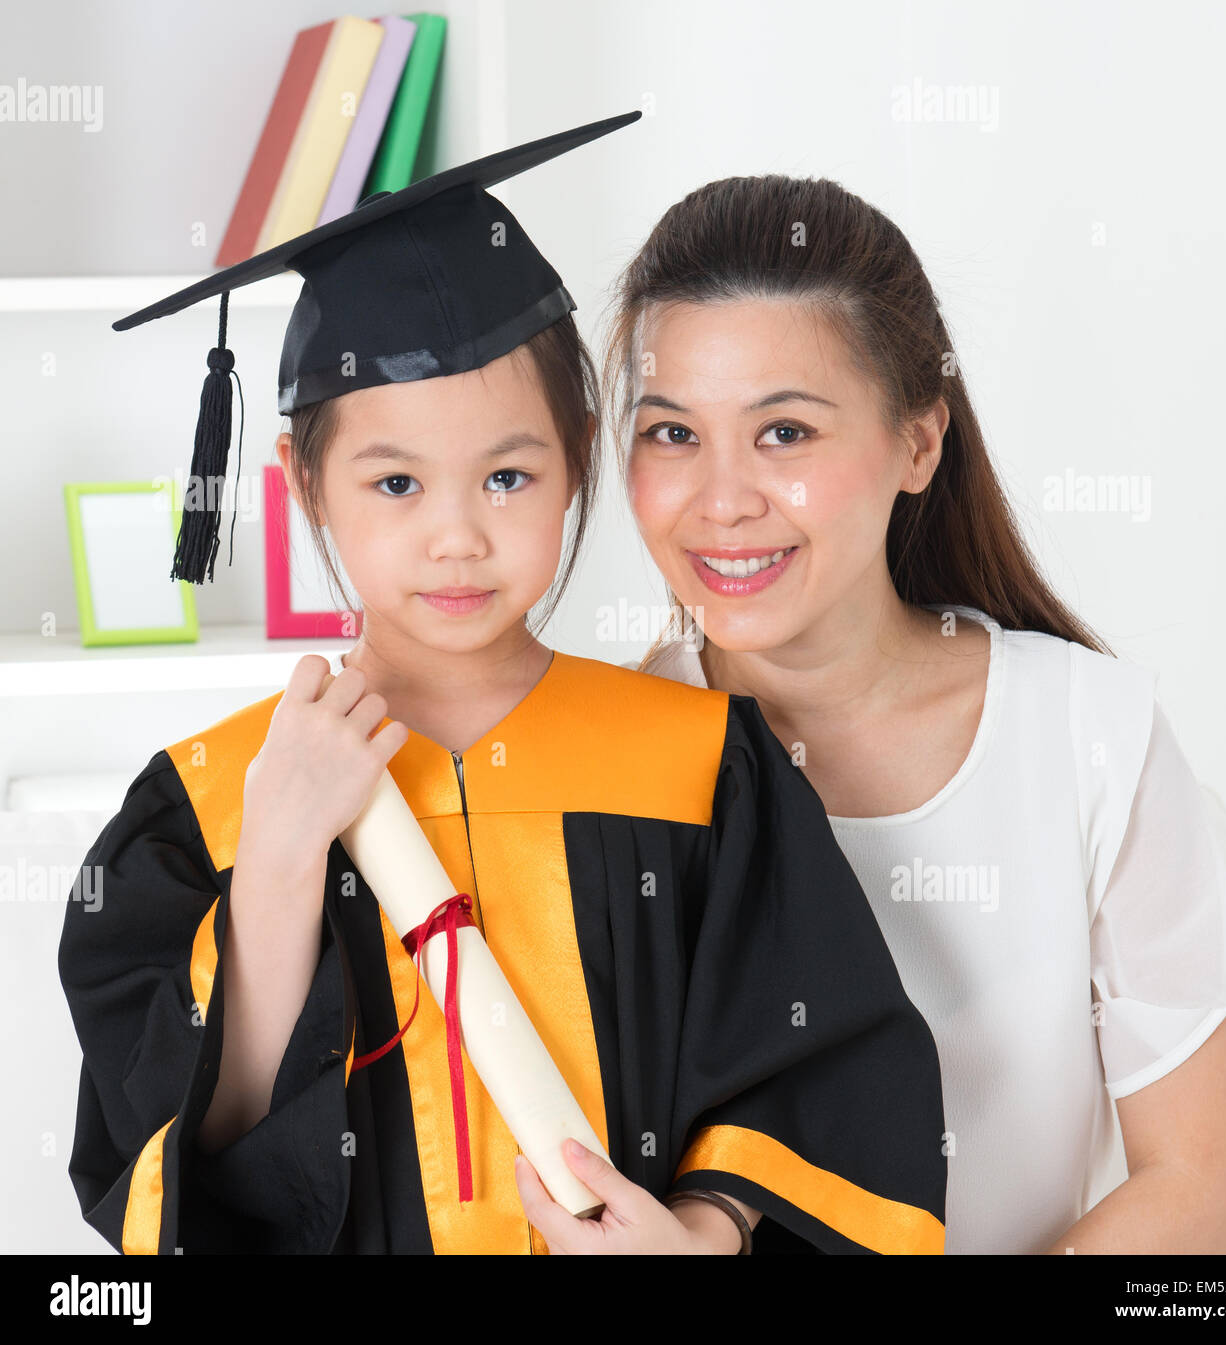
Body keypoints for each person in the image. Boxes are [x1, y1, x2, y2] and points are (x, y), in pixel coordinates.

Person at [56, 118, 947, 1255]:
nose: (457, 538)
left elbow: (822, 1067)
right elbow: (188, 1157)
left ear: (582, 453)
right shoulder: (210, 804)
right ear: (305, 483)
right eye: (394, 483)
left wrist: (704, 1232)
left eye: (508, 475)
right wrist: (279, 861)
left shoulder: (698, 761)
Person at [603, 172, 1226, 1254]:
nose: (720, 500)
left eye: (783, 434)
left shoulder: (1089, 734)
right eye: (671, 433)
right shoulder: (605, 757)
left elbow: (1202, 1180)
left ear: (918, 441)